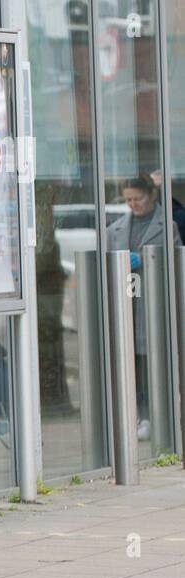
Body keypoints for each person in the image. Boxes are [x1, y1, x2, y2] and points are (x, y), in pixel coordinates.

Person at [107, 173, 182, 440]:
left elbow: (175, 264)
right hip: (127, 302)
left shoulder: (167, 226)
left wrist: (147, 262)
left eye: (138, 198)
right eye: (128, 200)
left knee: (153, 362)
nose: (133, 204)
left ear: (150, 196)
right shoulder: (115, 229)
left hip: (153, 305)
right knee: (131, 364)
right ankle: (137, 416)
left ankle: (157, 415)